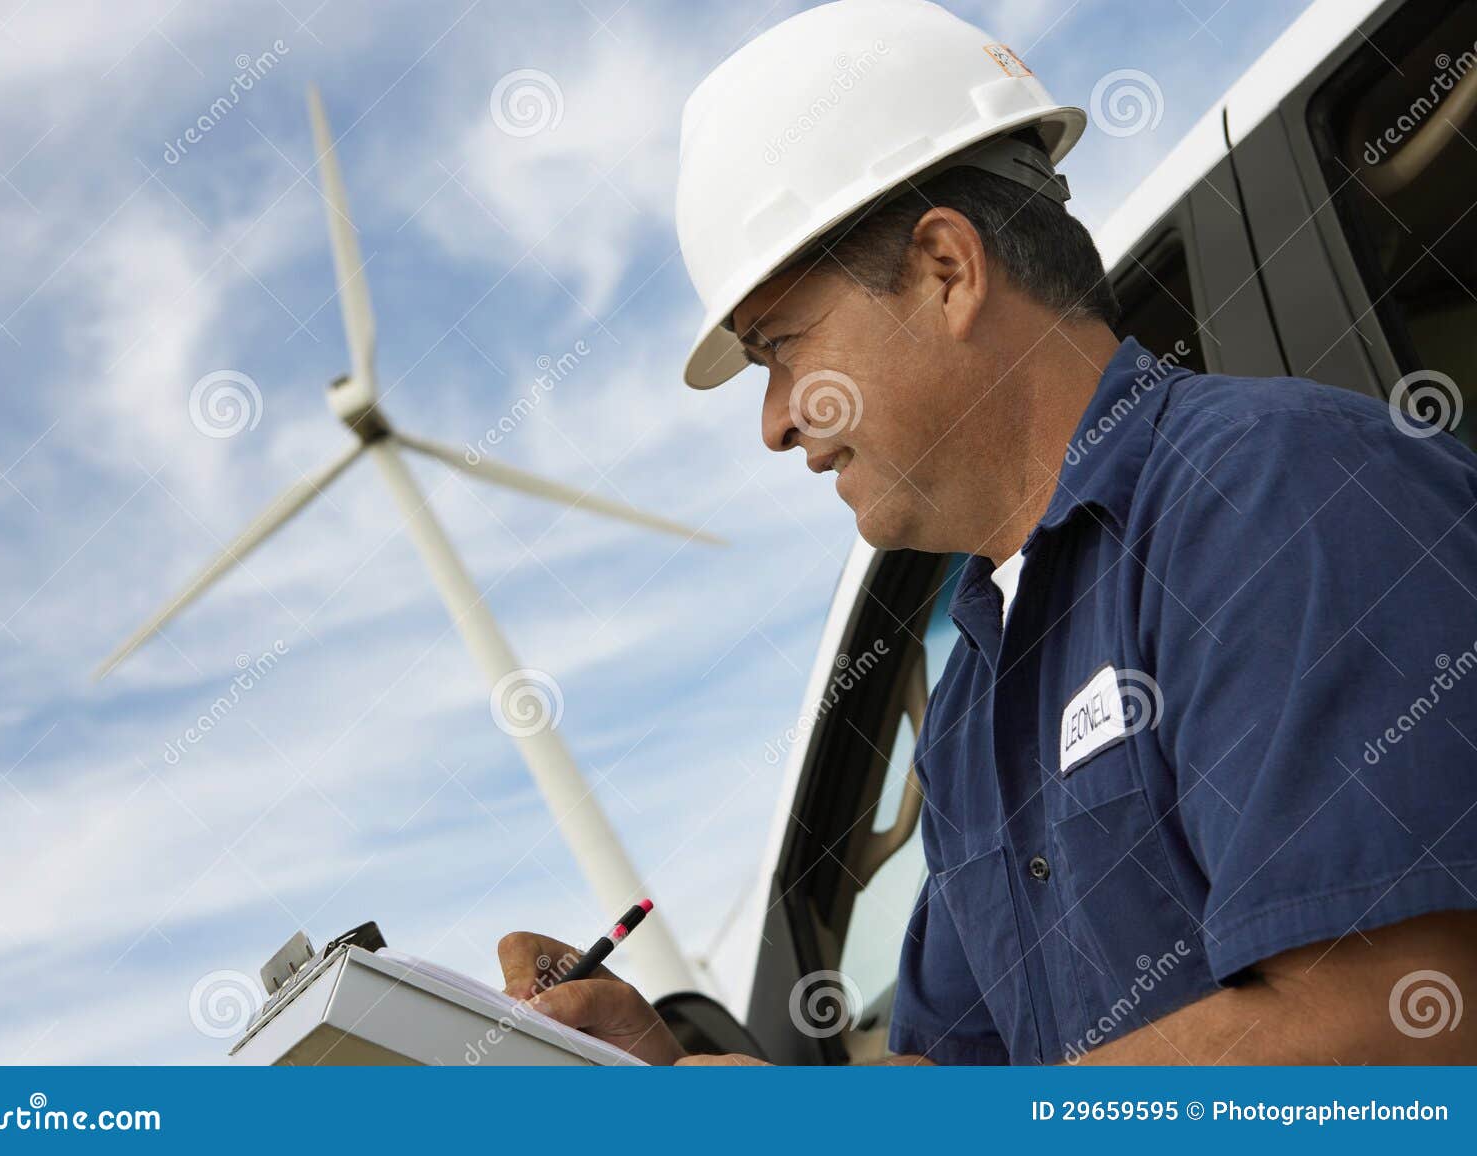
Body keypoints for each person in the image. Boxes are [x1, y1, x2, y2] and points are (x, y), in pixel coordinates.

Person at [498, 0, 1477, 1064]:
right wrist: (660, 1067)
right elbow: (956, 1084)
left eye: (780, 348)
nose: (774, 421)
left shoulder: (1276, 490)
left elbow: (1402, 1026)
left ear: (946, 271)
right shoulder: (971, 707)